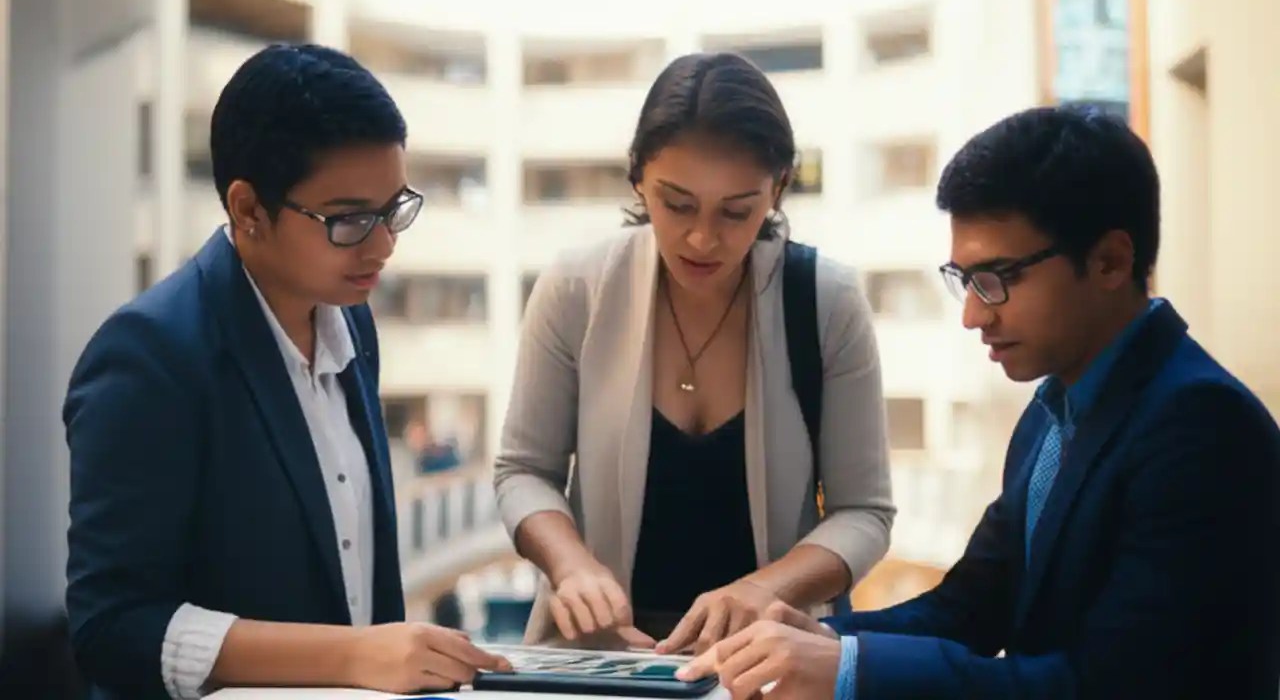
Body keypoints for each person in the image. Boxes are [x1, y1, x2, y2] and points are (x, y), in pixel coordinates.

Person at [679, 105, 1280, 699]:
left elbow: (1108, 686)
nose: (973, 315)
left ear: (1110, 261)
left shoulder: (1201, 426)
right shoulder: (1054, 411)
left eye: (998, 279)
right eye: (964, 280)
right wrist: (817, 640)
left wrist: (850, 670)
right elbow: (967, 609)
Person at [63, 44, 508, 700]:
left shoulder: (352, 322)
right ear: (248, 209)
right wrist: (351, 657)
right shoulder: (149, 355)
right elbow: (112, 624)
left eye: (394, 209)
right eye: (350, 219)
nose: (384, 244)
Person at [492, 52, 895, 655]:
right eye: (677, 204)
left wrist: (762, 590)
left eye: (737, 211)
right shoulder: (577, 289)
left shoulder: (826, 301)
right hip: (601, 660)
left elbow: (863, 512)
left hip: (769, 660)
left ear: (779, 188)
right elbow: (523, 471)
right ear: (637, 176)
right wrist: (571, 566)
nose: (704, 238)